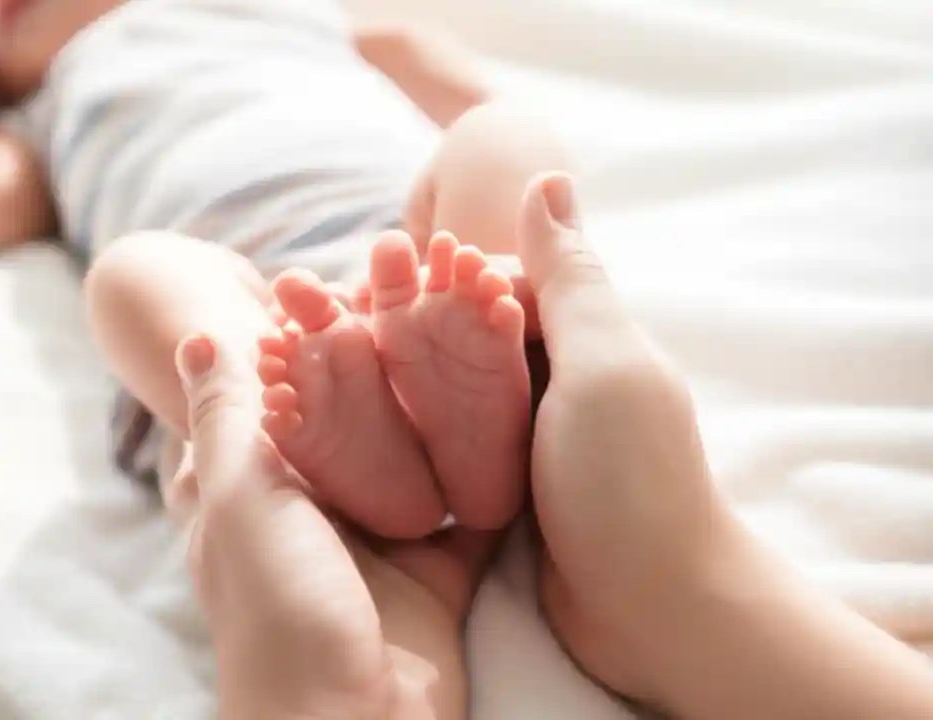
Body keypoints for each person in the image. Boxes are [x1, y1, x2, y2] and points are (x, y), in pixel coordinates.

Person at [176, 174, 933, 718]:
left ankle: (408, 420)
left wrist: (333, 700)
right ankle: (412, 426)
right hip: (336, 286)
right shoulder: (82, 72)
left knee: (160, 277)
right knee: (152, 273)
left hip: (349, 270)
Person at [0, 0, 569, 539]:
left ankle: (486, 360)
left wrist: (384, 46)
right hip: (253, 315)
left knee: (502, 135)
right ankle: (312, 434)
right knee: (132, 276)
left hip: (419, 256)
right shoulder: (51, 102)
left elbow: (448, 84)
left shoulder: (276, 13)